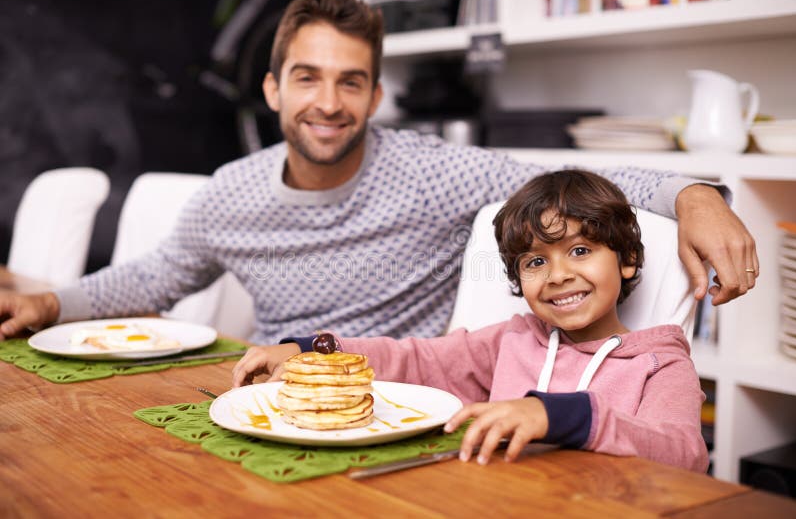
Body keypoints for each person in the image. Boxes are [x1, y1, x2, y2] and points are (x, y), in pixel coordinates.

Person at [0, 0, 757, 344]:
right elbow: (155, 277)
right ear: (273, 89)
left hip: (403, 408)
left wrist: (694, 193)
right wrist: (50, 304)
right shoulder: (232, 194)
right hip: (268, 399)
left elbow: (563, 181)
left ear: (374, 95)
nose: (328, 103)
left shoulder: (430, 173)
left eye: (350, 81)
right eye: (307, 78)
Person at [232, 169, 709, 472]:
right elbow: (416, 360)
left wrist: (562, 417)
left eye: (580, 251)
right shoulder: (513, 341)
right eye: (535, 262)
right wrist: (313, 349)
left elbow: (684, 453)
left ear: (627, 260)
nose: (558, 275)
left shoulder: (659, 363)